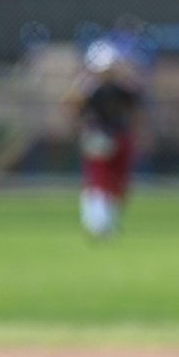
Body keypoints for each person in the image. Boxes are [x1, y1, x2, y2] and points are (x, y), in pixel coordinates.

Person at [63, 36, 147, 239]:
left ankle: (108, 221)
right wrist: (81, 129)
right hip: (98, 136)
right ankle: (98, 223)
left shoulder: (122, 87)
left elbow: (137, 106)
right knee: (99, 179)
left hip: (120, 135)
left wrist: (142, 134)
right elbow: (72, 105)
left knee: (119, 182)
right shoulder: (89, 88)